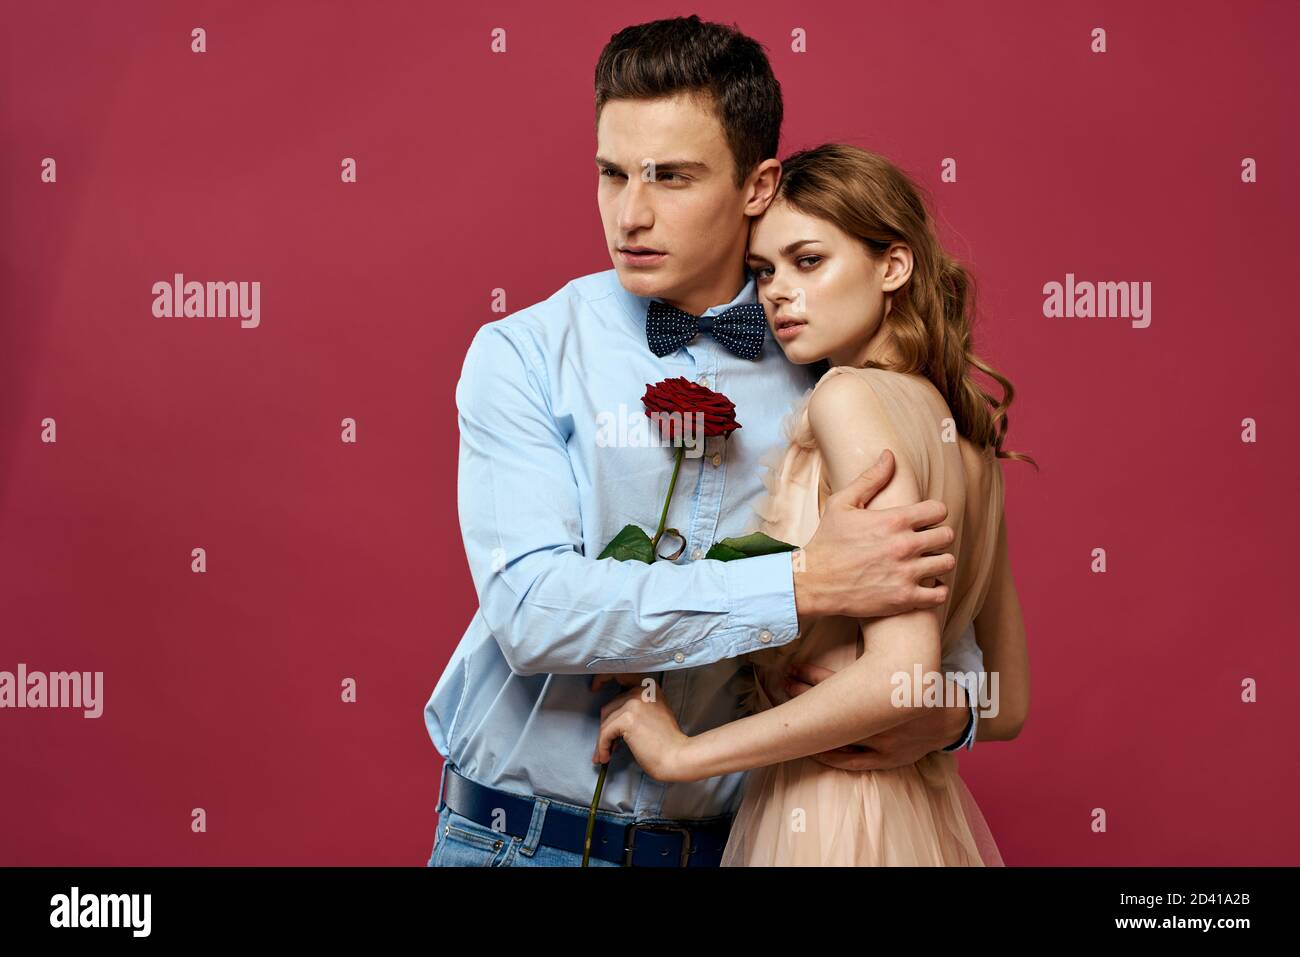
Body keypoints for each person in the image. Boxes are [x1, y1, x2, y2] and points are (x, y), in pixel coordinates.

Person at [424, 15, 1007, 868]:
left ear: (758, 185)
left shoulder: (835, 376)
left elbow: (950, 654)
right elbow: (532, 611)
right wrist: (802, 582)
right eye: (612, 173)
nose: (631, 212)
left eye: (671, 176)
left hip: (736, 848)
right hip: (509, 842)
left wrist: (946, 716)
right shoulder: (523, 352)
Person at [593, 143, 1033, 865]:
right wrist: (939, 718)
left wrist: (683, 754)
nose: (775, 293)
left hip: (827, 811)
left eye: (808, 261)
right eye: (764, 271)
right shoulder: (974, 441)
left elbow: (898, 672)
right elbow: (1006, 700)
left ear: (893, 266)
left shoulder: (847, 396)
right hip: (919, 806)